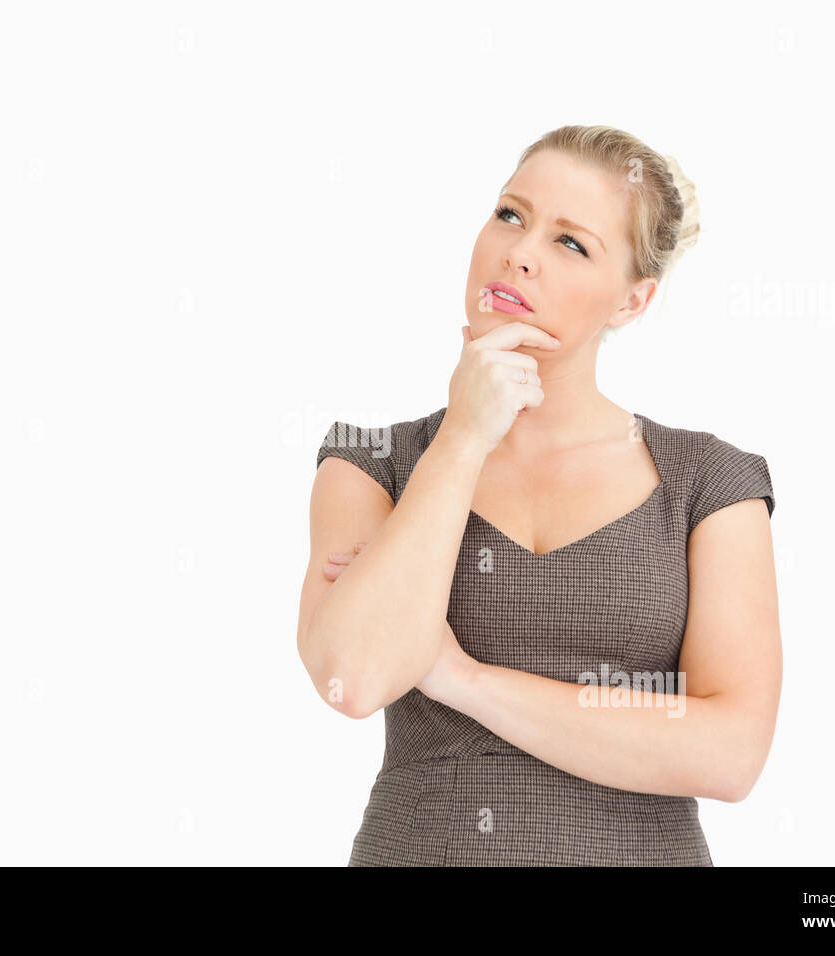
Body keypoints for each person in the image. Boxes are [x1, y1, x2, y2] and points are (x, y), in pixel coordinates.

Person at [296, 125, 779, 866]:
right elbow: (352, 677)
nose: (518, 251)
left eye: (571, 243)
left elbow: (730, 755)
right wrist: (463, 435)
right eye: (511, 214)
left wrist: (460, 678)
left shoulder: (707, 483)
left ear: (632, 300)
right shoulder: (373, 462)